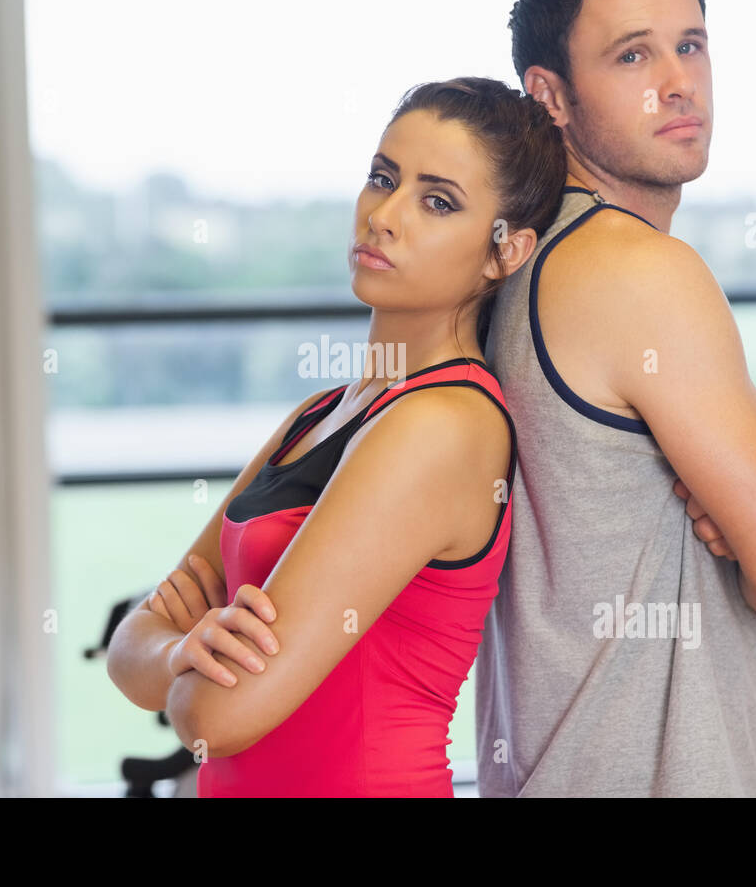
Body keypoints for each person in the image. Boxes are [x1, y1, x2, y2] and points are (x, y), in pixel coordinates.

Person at [106, 76, 568, 795]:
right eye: (382, 178)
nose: (383, 215)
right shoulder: (318, 414)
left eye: (436, 200)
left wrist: (175, 661)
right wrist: (175, 657)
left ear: (505, 252)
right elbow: (131, 643)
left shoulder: (442, 426)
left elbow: (215, 718)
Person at [473, 0, 756, 796]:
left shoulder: (530, 261)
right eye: (632, 54)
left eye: (690, 44)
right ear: (551, 97)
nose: (678, 81)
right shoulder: (641, 273)